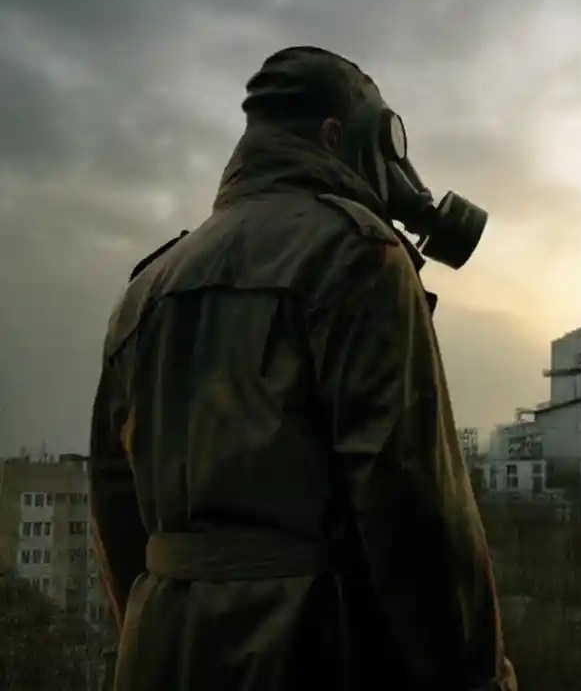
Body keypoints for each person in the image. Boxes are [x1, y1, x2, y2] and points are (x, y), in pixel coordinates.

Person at [88, 46, 516, 690]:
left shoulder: (147, 288)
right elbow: (412, 509)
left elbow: (115, 511)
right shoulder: (356, 256)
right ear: (335, 137)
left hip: (159, 658)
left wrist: (162, 627)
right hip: (311, 655)